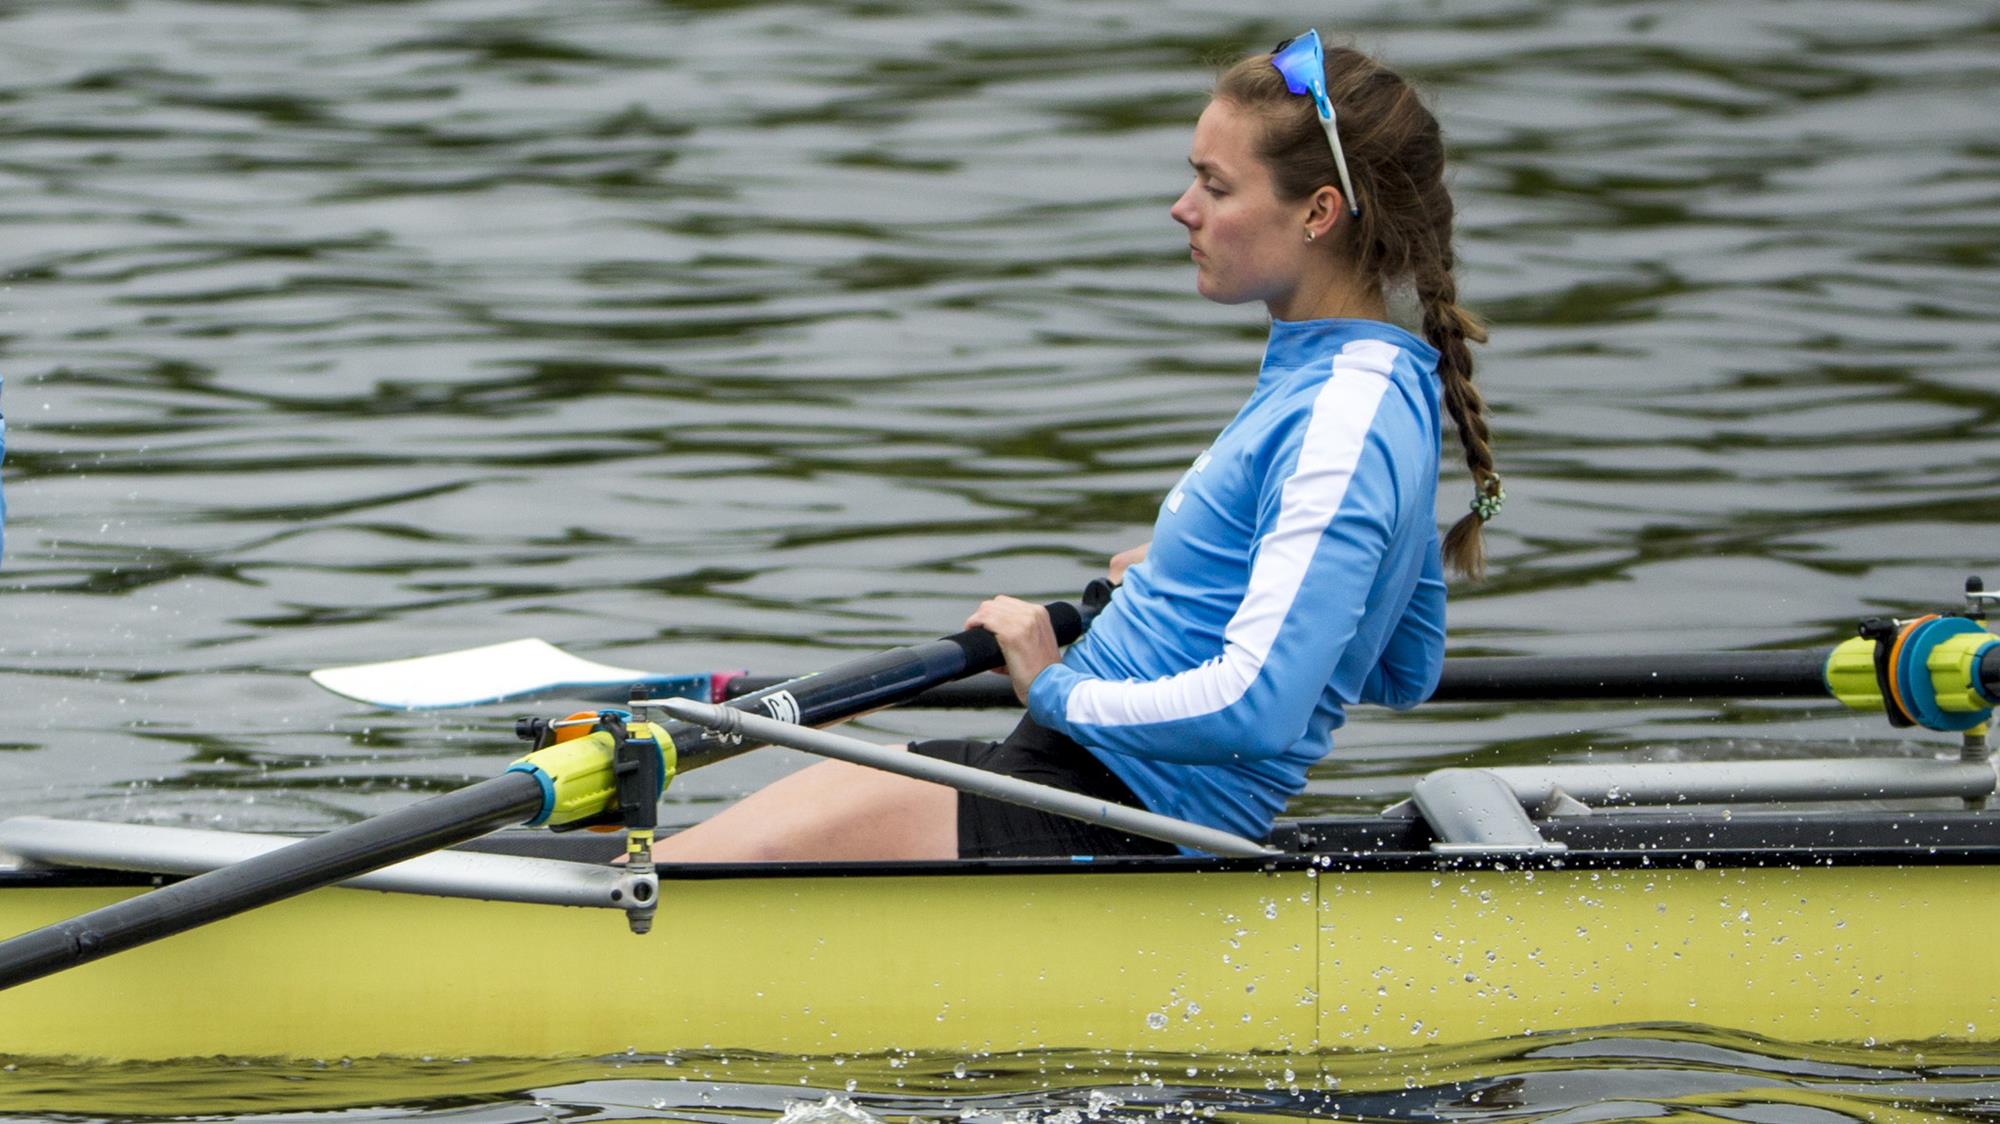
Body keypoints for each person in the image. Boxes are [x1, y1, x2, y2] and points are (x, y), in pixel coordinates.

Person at [655, 29, 1501, 862]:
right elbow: (1402, 665)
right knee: (682, 850)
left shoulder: (1343, 414)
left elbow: (1261, 711)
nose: (1185, 208)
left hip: (1124, 819)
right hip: (1078, 785)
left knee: (673, 878)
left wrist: (1052, 685)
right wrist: (1197, 576)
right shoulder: (1372, 387)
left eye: (1215, 185)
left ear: (1318, 211)